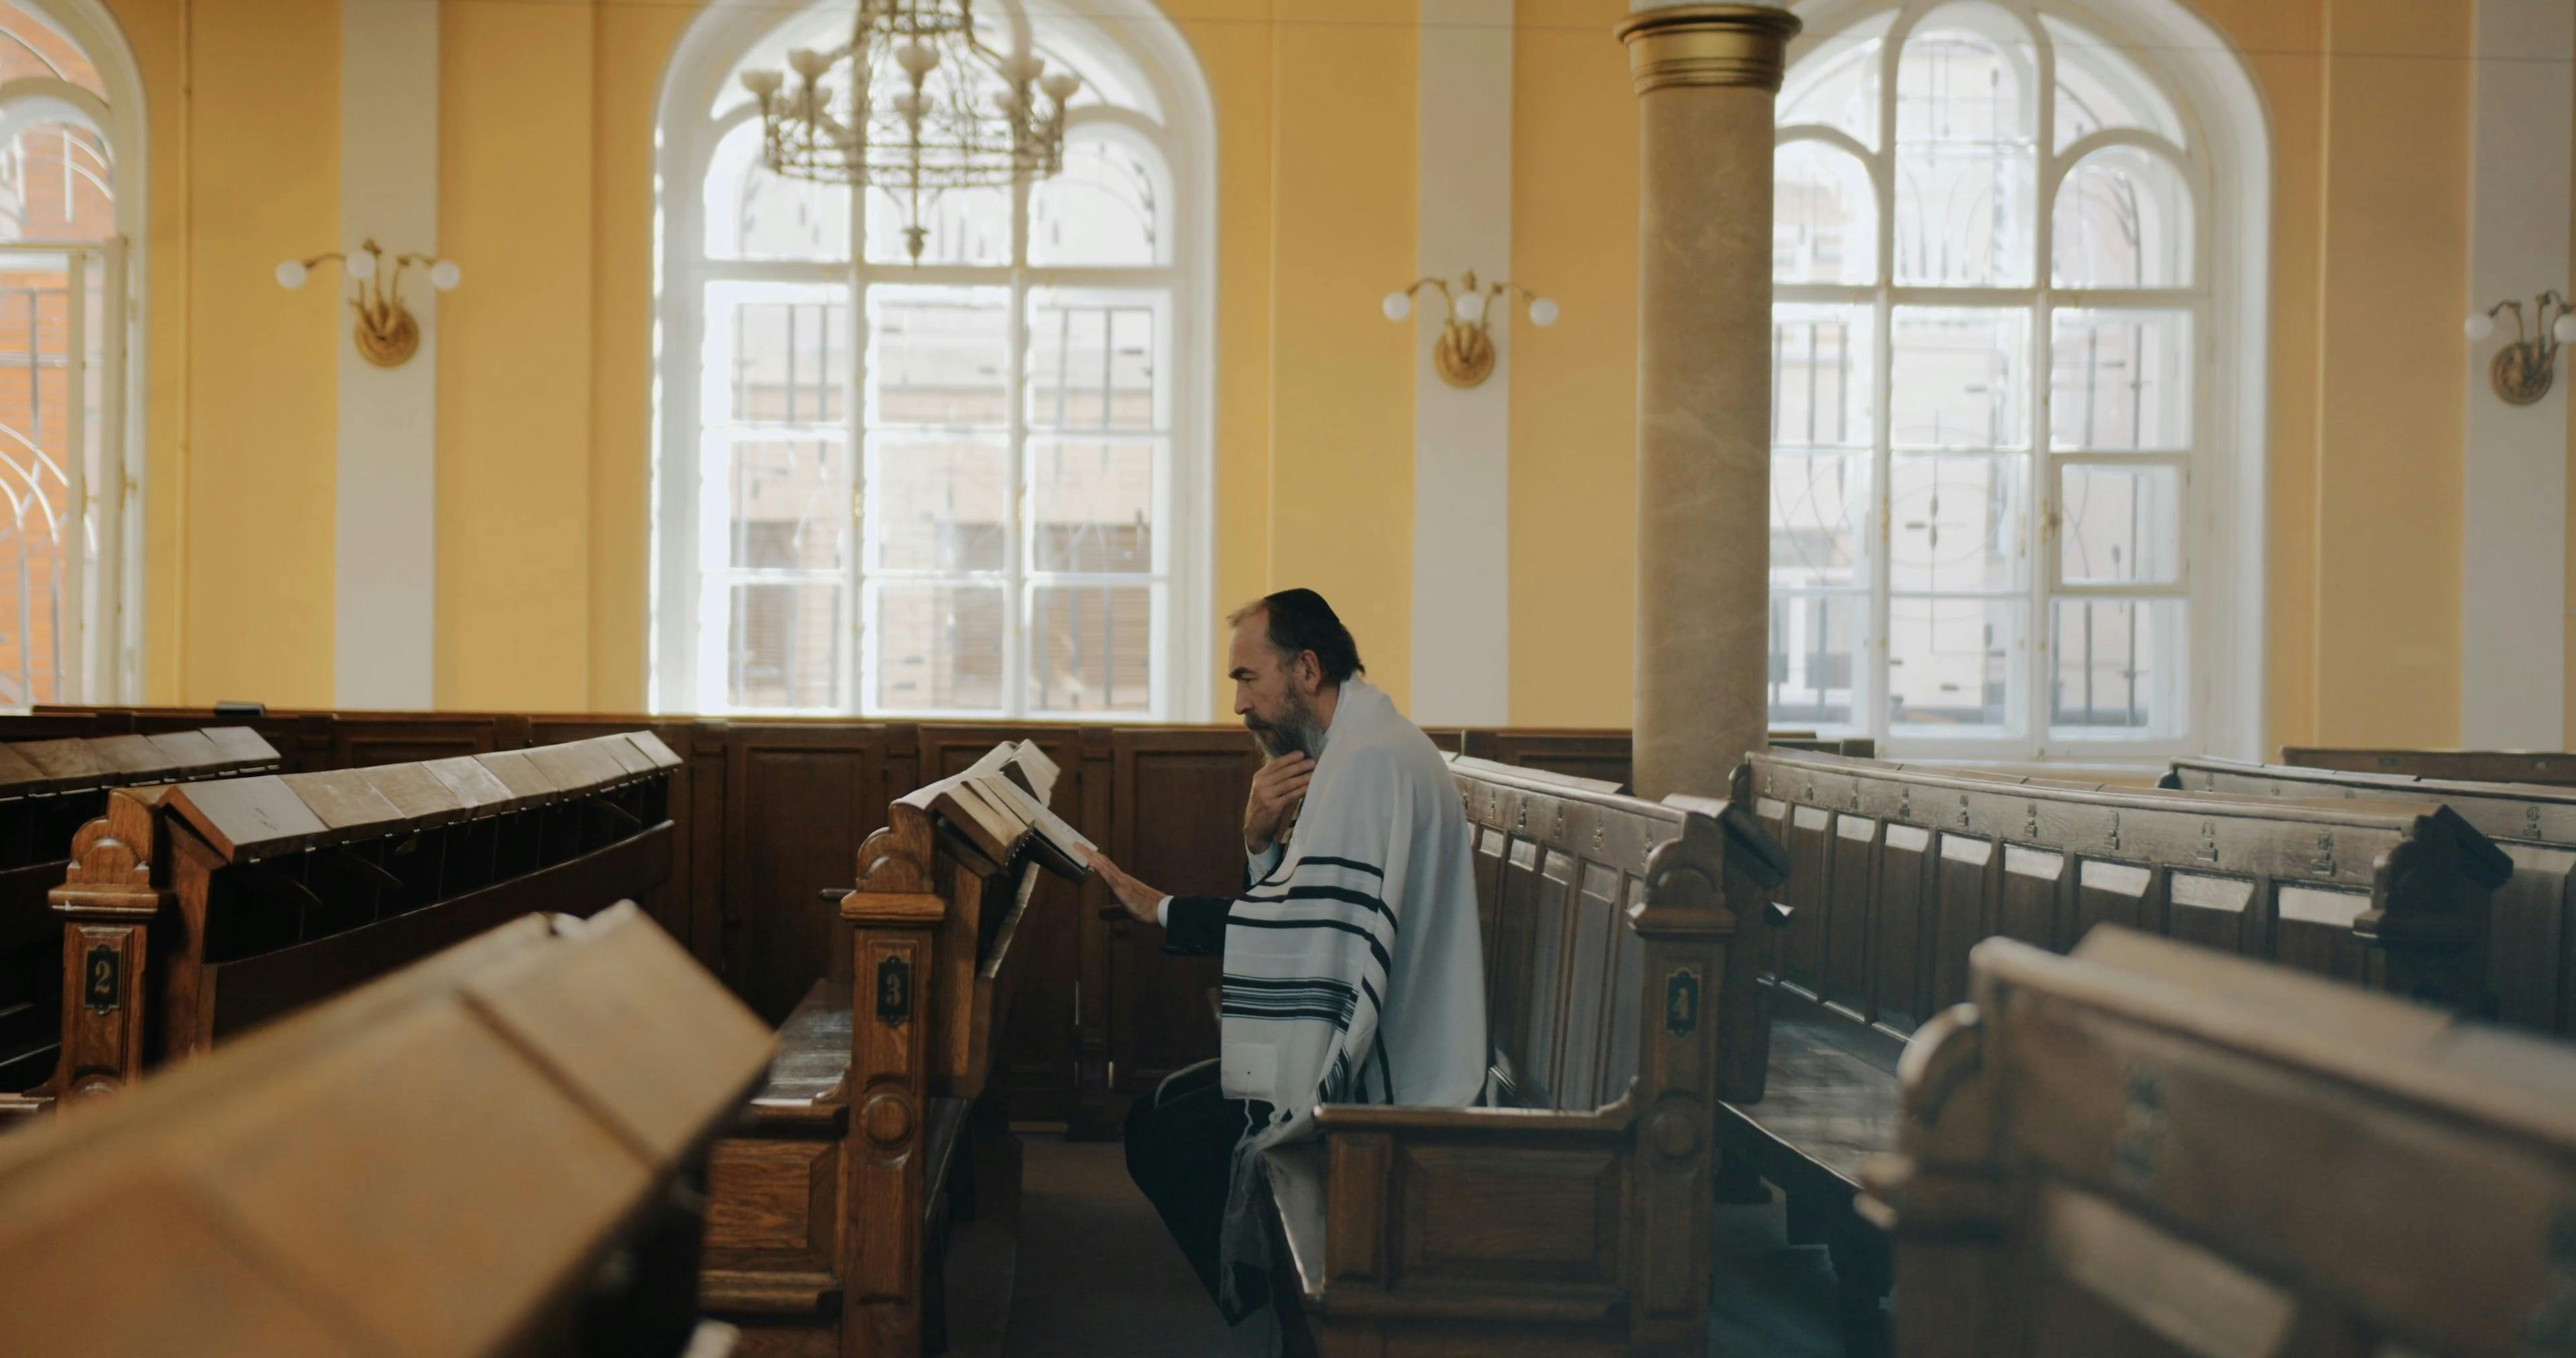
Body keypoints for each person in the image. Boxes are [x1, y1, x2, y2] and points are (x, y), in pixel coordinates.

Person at [1083, 588, 1487, 1331]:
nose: (1240, 703)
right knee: (1165, 1109)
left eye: (1248, 678)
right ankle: (1275, 1299)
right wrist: (1260, 840)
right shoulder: (1351, 747)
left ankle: (1289, 1313)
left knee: (1164, 1134)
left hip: (1392, 1072)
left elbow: (1306, 931)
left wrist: (1160, 908)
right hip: (1369, 1032)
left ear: (1306, 668)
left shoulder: (1367, 763)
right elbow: (1307, 917)